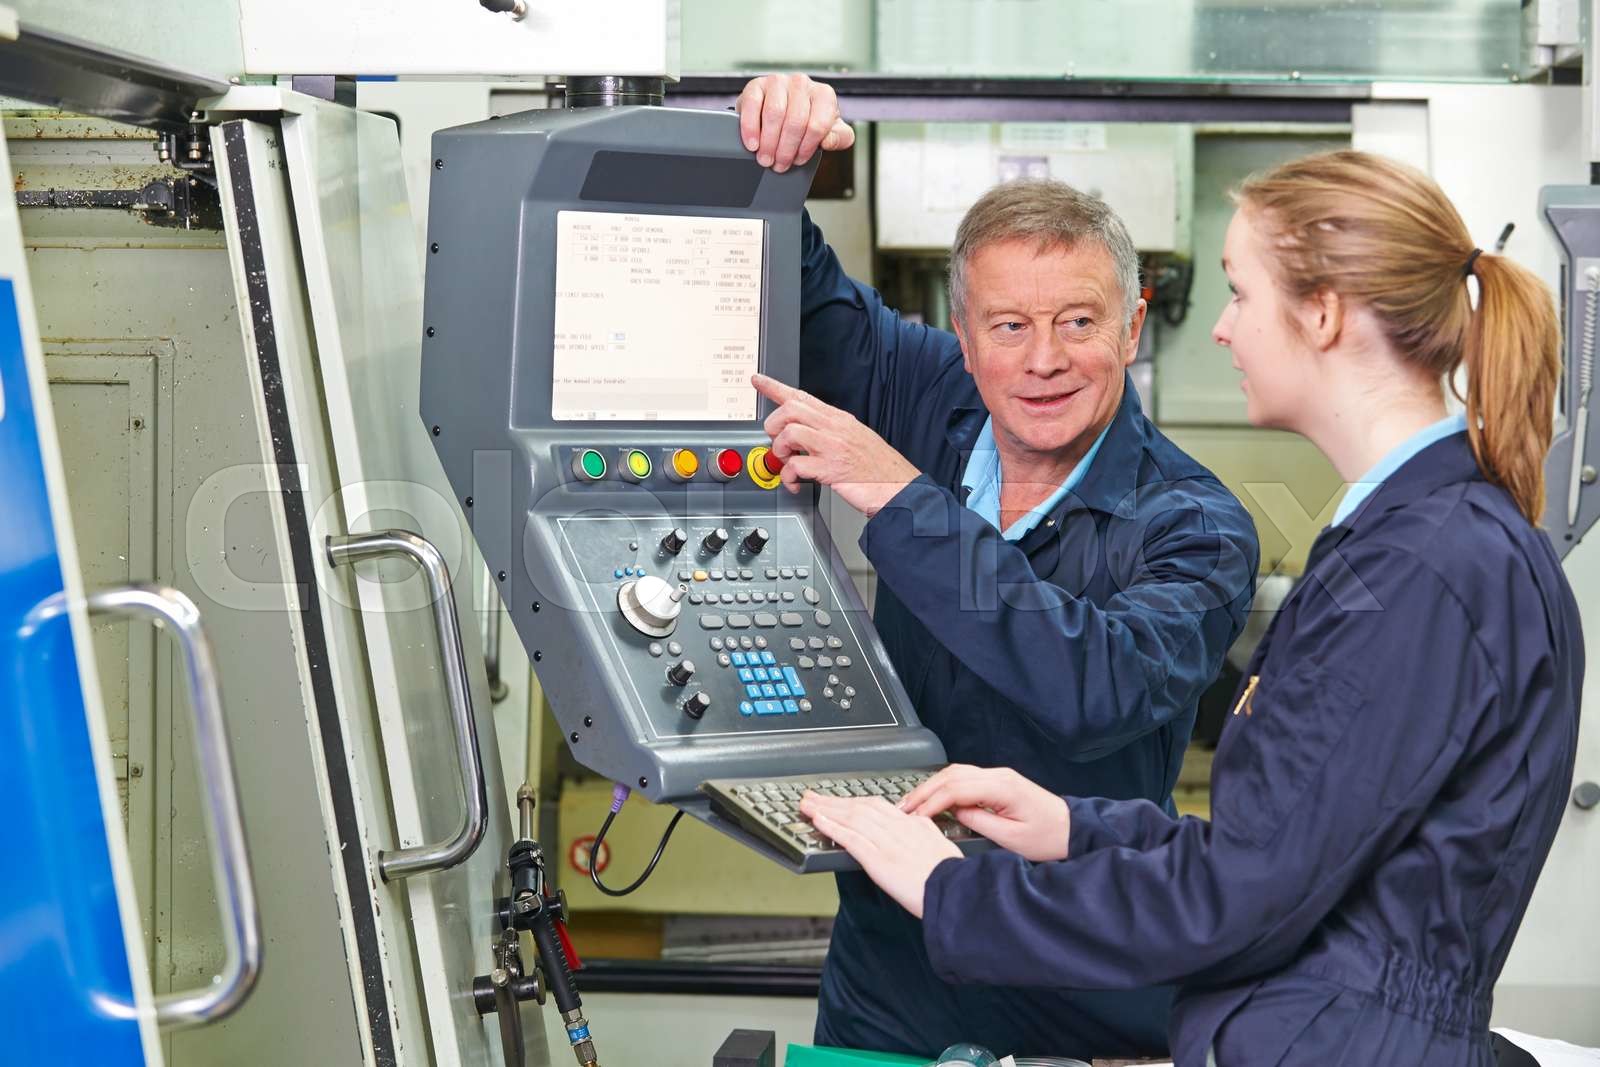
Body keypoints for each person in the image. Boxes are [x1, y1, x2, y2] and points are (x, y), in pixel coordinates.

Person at [801, 148, 1586, 1066]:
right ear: (966, 334)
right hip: (921, 976)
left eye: (1240, 293)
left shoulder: (1419, 563)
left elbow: (1243, 889)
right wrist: (1075, 824)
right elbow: (1281, 845)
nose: (1220, 329)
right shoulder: (1412, 537)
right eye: (1008, 324)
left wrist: (956, 892)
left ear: (1323, 315)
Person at [736, 74, 1260, 1059]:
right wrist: (780, 146)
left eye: (1079, 320)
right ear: (963, 331)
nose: (1043, 359)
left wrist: (898, 495)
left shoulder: (1196, 522)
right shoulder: (929, 390)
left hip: (1077, 991)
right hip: (889, 971)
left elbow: (1097, 683)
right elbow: (795, 289)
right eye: (1008, 325)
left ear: (1132, 324)